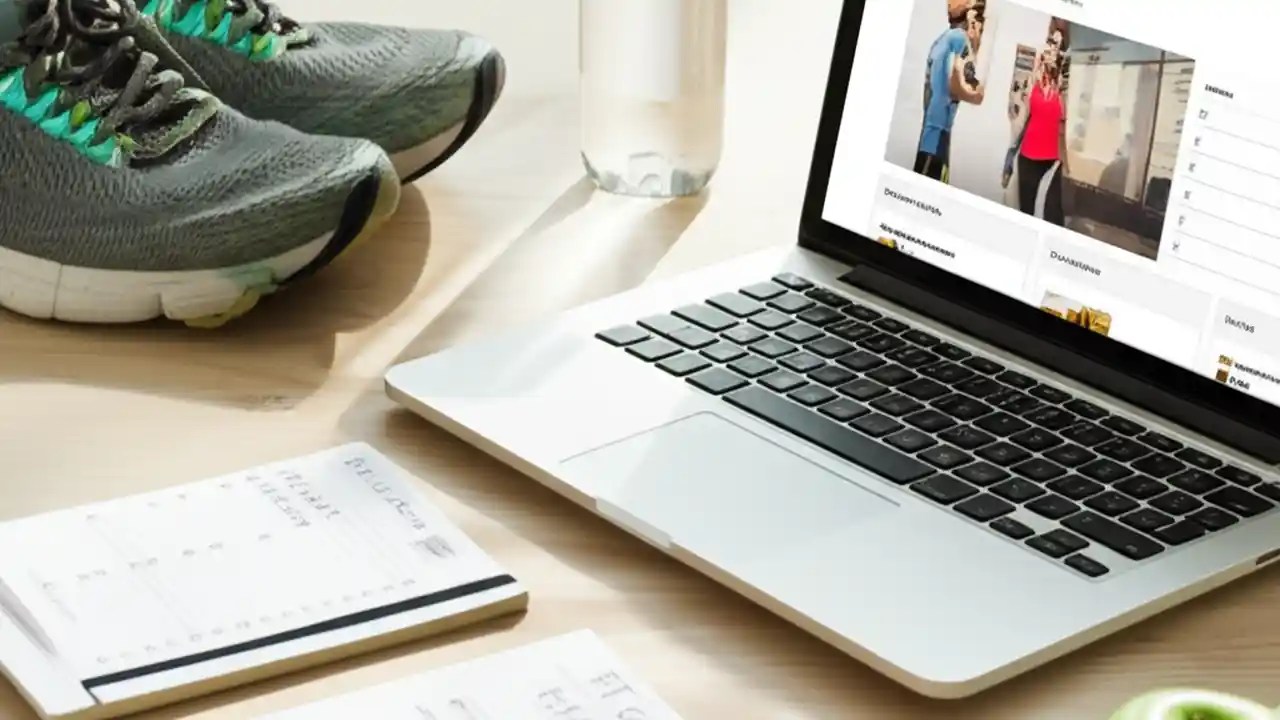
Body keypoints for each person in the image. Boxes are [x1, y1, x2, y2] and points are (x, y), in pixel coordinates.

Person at [1003, 25, 1070, 225]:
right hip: (1029, 157)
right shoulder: (1032, 81)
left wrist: (1068, 162)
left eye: (1057, 47)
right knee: (1026, 213)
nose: (1052, 51)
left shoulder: (1065, 86)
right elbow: (1019, 121)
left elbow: (1067, 124)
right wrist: (1009, 159)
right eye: (1050, 45)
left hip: (1054, 161)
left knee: (1053, 215)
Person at [914, 0, 988, 183]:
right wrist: (978, 94)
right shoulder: (959, 39)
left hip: (931, 132)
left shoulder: (944, 38)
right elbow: (958, 86)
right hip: (939, 133)